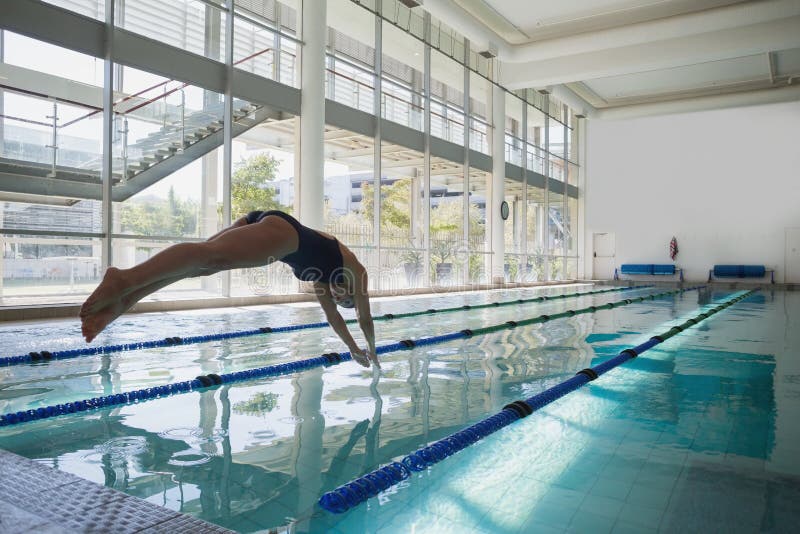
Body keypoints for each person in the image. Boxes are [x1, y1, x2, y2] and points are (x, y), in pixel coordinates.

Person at [79, 210, 379, 368]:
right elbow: (364, 319)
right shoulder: (354, 268)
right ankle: (124, 279)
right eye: (347, 297)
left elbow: (334, 320)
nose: (340, 298)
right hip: (285, 234)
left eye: (343, 301)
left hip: (271, 228)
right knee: (208, 256)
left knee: (202, 263)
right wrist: (374, 351)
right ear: (352, 290)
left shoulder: (320, 282)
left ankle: (128, 298)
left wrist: (354, 350)